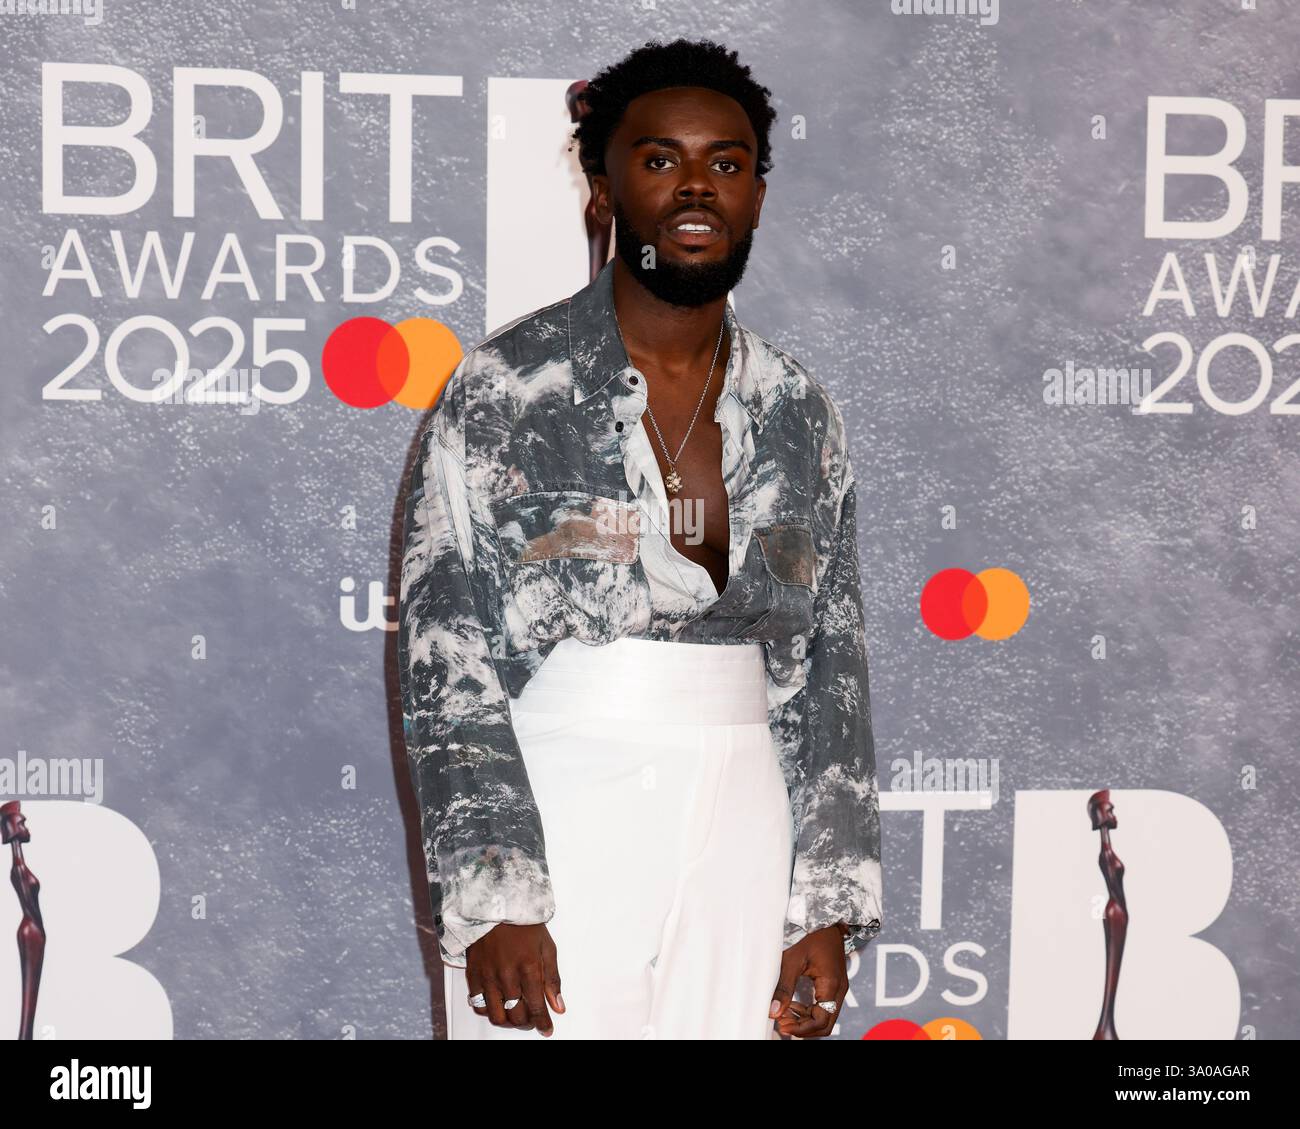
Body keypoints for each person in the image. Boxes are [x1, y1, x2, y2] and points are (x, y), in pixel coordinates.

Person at [397, 37, 882, 1040]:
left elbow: (833, 663)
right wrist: (498, 891)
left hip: (746, 806)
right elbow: (446, 654)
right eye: (659, 159)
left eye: (727, 162)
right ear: (603, 187)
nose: (695, 186)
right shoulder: (504, 389)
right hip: (567, 783)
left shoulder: (797, 407)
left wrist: (824, 898)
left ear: (755, 191)